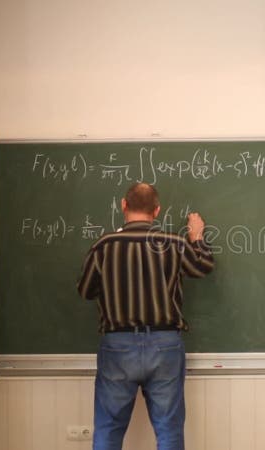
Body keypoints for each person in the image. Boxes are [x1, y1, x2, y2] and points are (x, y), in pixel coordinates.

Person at [77, 182, 214, 450]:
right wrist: (197, 236)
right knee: (168, 430)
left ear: (123, 205)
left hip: (117, 345)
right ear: (157, 210)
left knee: (108, 430)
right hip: (165, 345)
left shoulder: (104, 245)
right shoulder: (174, 243)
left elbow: (85, 290)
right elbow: (203, 266)